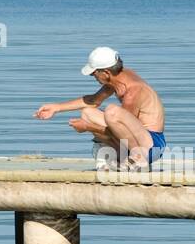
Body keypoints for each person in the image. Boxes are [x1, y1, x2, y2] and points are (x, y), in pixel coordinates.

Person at [33, 46, 166, 168]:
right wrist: (57, 108)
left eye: (94, 73)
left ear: (106, 72)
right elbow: (93, 100)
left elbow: (120, 132)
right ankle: (111, 156)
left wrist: (87, 127)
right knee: (88, 113)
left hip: (151, 145)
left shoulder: (133, 92)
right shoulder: (119, 77)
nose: (92, 76)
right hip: (136, 139)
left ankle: (138, 160)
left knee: (112, 112)